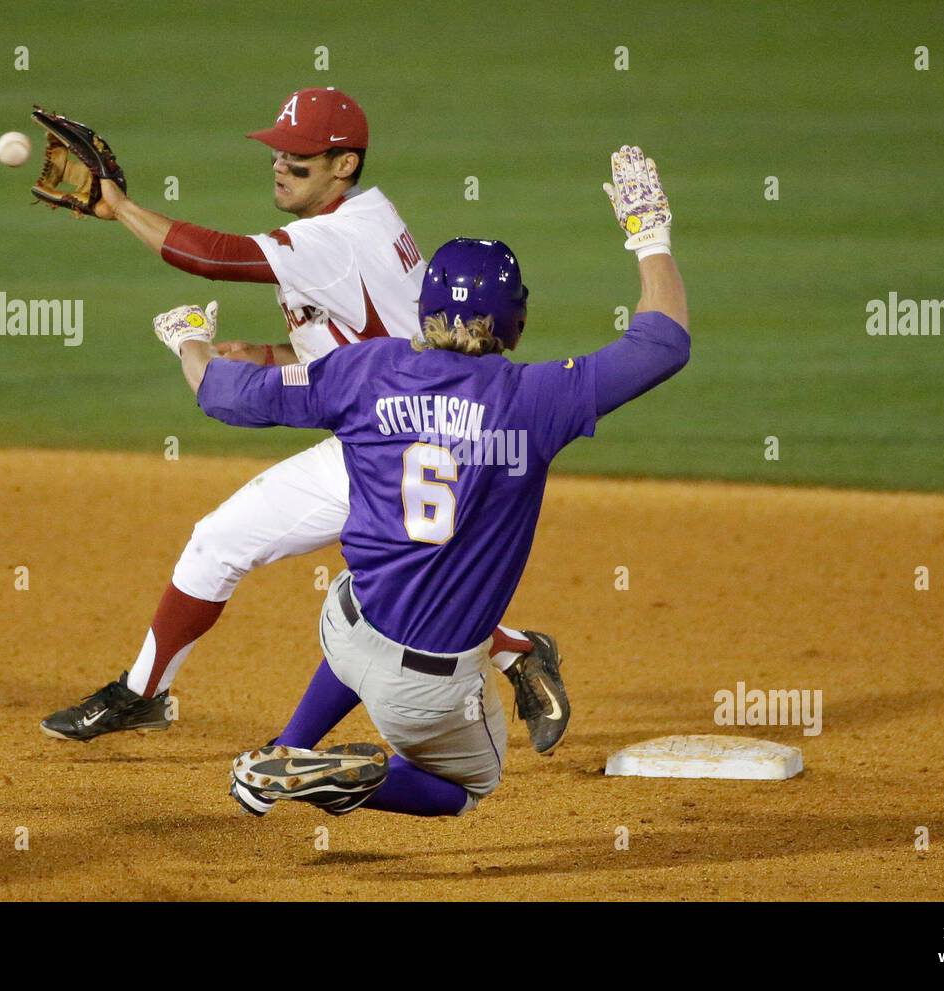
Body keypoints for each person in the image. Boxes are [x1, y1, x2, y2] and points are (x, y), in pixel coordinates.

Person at [150, 145, 688, 819]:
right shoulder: (536, 398)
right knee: (469, 787)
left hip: (344, 621)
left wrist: (189, 341)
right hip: (427, 692)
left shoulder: (360, 372)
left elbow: (225, 395)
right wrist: (648, 229)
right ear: (515, 319)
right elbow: (663, 342)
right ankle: (342, 779)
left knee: (363, 611)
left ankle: (285, 753)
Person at [40, 87, 570, 754]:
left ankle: (515, 652)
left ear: (343, 165)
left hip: (402, 448)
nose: (280, 165)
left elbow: (209, 257)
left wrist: (117, 205)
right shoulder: (359, 224)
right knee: (226, 542)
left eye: (299, 157)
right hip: (408, 429)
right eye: (277, 152)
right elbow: (365, 343)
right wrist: (264, 354)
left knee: (386, 596)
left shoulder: (338, 238)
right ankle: (142, 694)